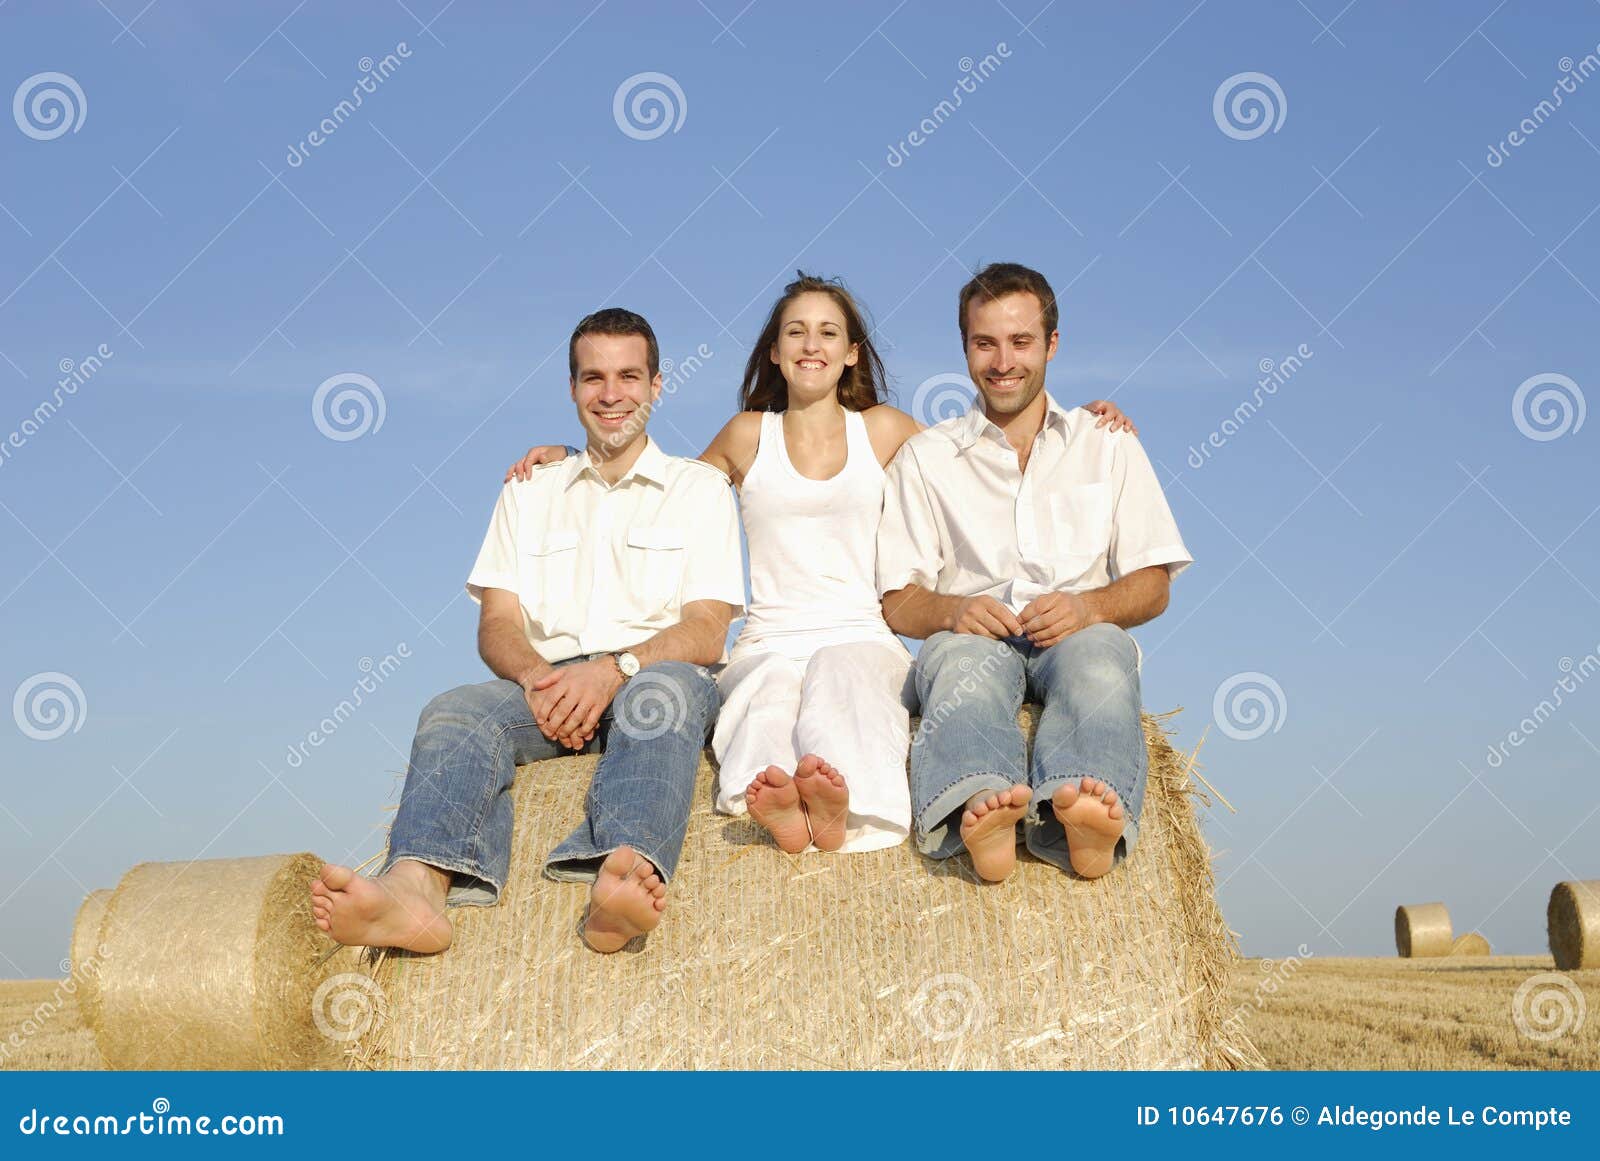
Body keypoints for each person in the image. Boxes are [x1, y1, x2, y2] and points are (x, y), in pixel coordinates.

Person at [504, 274, 1136, 856]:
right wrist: (581, 453)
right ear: (774, 352)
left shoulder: (884, 431)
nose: (812, 344)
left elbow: (979, 455)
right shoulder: (746, 434)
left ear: (852, 352)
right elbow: (662, 491)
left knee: (847, 678)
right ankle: (777, 800)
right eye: (796, 332)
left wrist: (1082, 423)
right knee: (764, 691)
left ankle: (841, 805)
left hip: (860, 627)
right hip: (768, 634)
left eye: (828, 332)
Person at [311, 308, 744, 954]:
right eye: (593, 377)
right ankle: (414, 890)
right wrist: (539, 679)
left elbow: (707, 630)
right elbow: (498, 622)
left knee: (669, 692)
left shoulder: (700, 489)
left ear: (657, 385)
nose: (610, 393)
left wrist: (611, 671)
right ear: (572, 389)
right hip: (548, 686)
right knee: (454, 710)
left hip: (650, 675)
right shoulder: (526, 491)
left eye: (629, 376)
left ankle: (622, 876)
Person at [878, 262, 1191, 883]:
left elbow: (1153, 582)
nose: (1002, 362)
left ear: (1051, 343)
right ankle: (981, 807)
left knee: (1102, 655)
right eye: (983, 343)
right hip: (975, 637)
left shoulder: (1107, 443)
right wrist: (952, 611)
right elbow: (897, 600)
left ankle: (1085, 812)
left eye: (1020, 342)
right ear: (964, 345)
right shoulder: (926, 457)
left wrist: (1090, 607)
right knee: (960, 664)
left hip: (1074, 635)